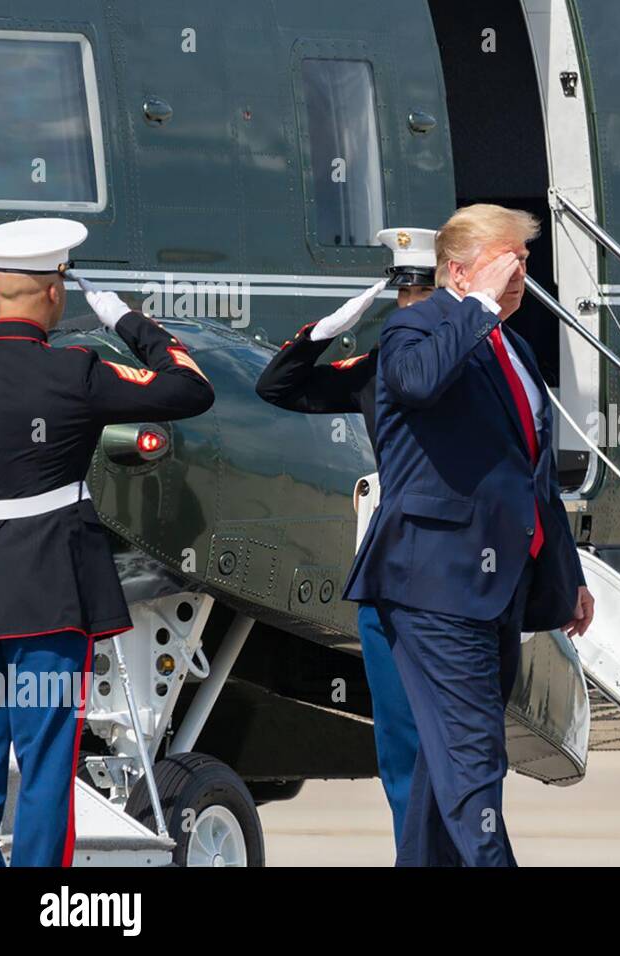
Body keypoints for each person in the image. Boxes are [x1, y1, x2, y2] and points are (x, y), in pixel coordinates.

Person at [343, 204, 594, 867]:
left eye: (525, 258)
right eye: (506, 257)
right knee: (475, 760)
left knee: (440, 775)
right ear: (458, 271)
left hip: (497, 594)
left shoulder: (515, 348)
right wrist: (475, 308)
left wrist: (568, 580)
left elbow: (533, 478)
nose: (521, 270)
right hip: (433, 587)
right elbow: (419, 383)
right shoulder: (413, 329)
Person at [0, 218, 214, 866]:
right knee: (44, 770)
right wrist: (127, 322)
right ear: (56, 291)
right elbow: (189, 389)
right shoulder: (73, 373)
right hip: (47, 599)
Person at [255, 226, 437, 853]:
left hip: (441, 569)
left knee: (443, 753)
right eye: (403, 298)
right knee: (402, 750)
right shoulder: (380, 364)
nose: (410, 311)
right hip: (388, 565)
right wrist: (342, 315)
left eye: (418, 294)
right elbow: (278, 386)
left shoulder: (473, 361)